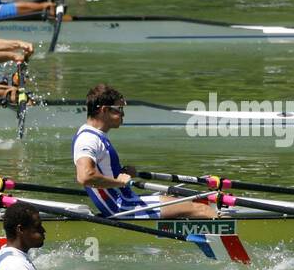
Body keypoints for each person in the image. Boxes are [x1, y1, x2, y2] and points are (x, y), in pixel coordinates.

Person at [73, 84, 221, 219]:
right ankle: (235, 241)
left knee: (180, 198)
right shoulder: (88, 139)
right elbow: (85, 177)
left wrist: (120, 173)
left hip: (125, 200)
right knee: (201, 209)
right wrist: (118, 182)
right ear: (104, 110)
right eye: (119, 109)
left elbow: (100, 172)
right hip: (121, 206)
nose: (123, 114)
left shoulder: (95, 136)